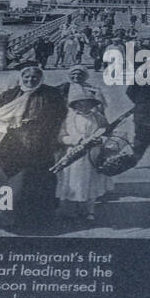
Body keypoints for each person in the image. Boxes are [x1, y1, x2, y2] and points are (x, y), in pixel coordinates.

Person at [0, 65, 67, 230]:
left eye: (34, 77)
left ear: (40, 78)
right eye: (27, 77)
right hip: (9, 145)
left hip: (40, 145)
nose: (31, 80)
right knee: (6, 182)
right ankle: (4, 218)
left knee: (36, 182)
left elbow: (60, 117)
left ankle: (35, 218)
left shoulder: (51, 94)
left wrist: (49, 136)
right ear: (21, 78)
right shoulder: (10, 94)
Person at [55, 85, 114, 223]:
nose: (83, 105)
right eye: (80, 102)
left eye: (87, 102)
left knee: (90, 182)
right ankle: (72, 210)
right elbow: (61, 136)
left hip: (93, 154)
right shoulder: (68, 119)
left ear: (92, 103)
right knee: (75, 182)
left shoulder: (98, 117)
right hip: (74, 156)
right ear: (74, 104)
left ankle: (89, 210)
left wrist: (101, 140)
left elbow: (108, 132)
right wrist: (75, 140)